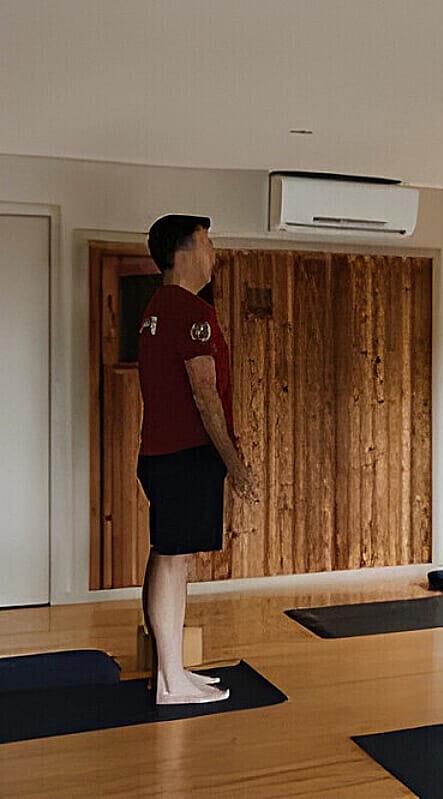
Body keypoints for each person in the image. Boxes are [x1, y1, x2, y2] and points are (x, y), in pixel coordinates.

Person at [137, 215, 257, 704]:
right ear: (185, 252)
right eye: (208, 244)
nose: (215, 254)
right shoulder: (190, 311)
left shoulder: (156, 307)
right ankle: (170, 680)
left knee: (170, 557)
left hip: (164, 454)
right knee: (172, 559)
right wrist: (235, 462)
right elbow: (204, 394)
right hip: (185, 454)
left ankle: (173, 670)